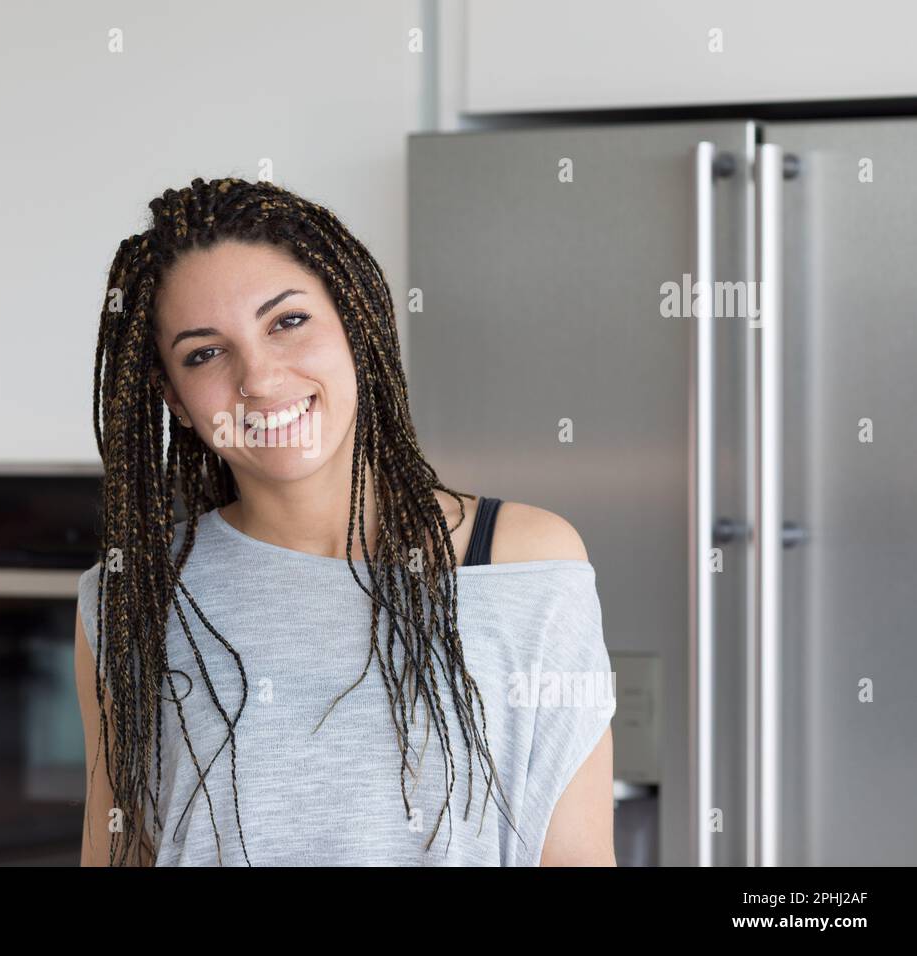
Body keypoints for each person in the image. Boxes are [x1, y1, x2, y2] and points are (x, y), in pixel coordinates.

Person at [75, 177, 615, 866]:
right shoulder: (127, 598)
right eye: (204, 353)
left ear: (355, 323)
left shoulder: (523, 565)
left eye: (287, 321)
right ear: (175, 399)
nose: (260, 379)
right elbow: (118, 854)